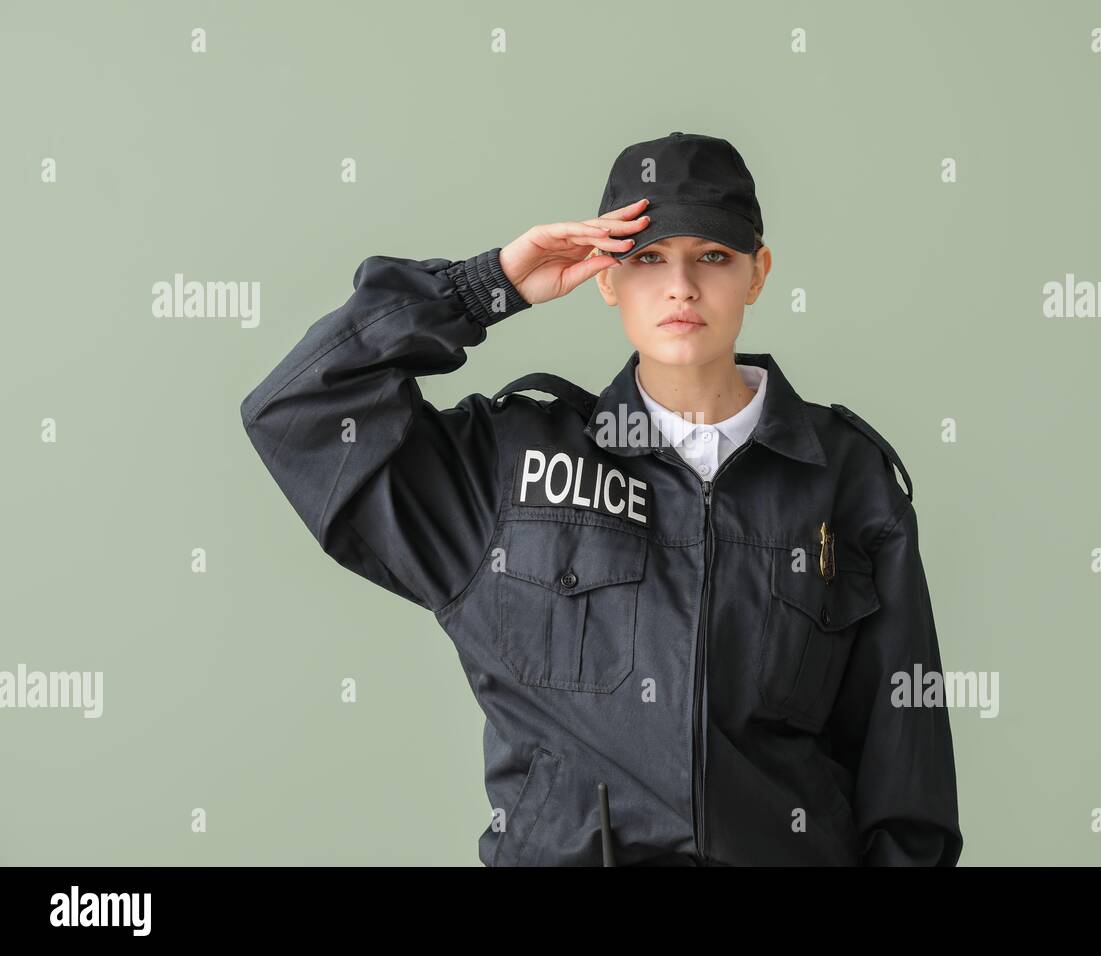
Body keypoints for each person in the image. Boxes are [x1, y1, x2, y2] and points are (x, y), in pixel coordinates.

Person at [240, 131, 963, 866]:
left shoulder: (847, 480)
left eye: (712, 256)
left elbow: (908, 788)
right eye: (646, 257)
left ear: (757, 272)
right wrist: (487, 284)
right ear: (605, 277)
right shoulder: (509, 466)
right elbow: (298, 408)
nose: (680, 286)